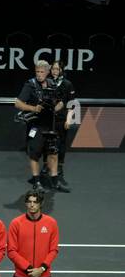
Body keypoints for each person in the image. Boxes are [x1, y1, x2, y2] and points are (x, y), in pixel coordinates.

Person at [14, 60, 67, 193]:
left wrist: (56, 107)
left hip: (51, 125)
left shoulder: (52, 84)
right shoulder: (30, 85)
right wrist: (34, 108)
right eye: (37, 71)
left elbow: (61, 102)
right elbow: (18, 103)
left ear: (48, 72)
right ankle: (37, 181)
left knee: (53, 153)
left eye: (42, 72)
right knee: (34, 154)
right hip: (35, 126)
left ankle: (55, 182)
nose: (39, 74)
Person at [47, 60, 77, 189]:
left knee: (61, 144)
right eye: (53, 69)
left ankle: (59, 168)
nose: (54, 71)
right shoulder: (47, 83)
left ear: (61, 70)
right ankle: (46, 166)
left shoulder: (67, 84)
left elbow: (71, 103)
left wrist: (68, 119)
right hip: (48, 119)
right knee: (48, 144)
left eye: (57, 69)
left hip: (62, 119)